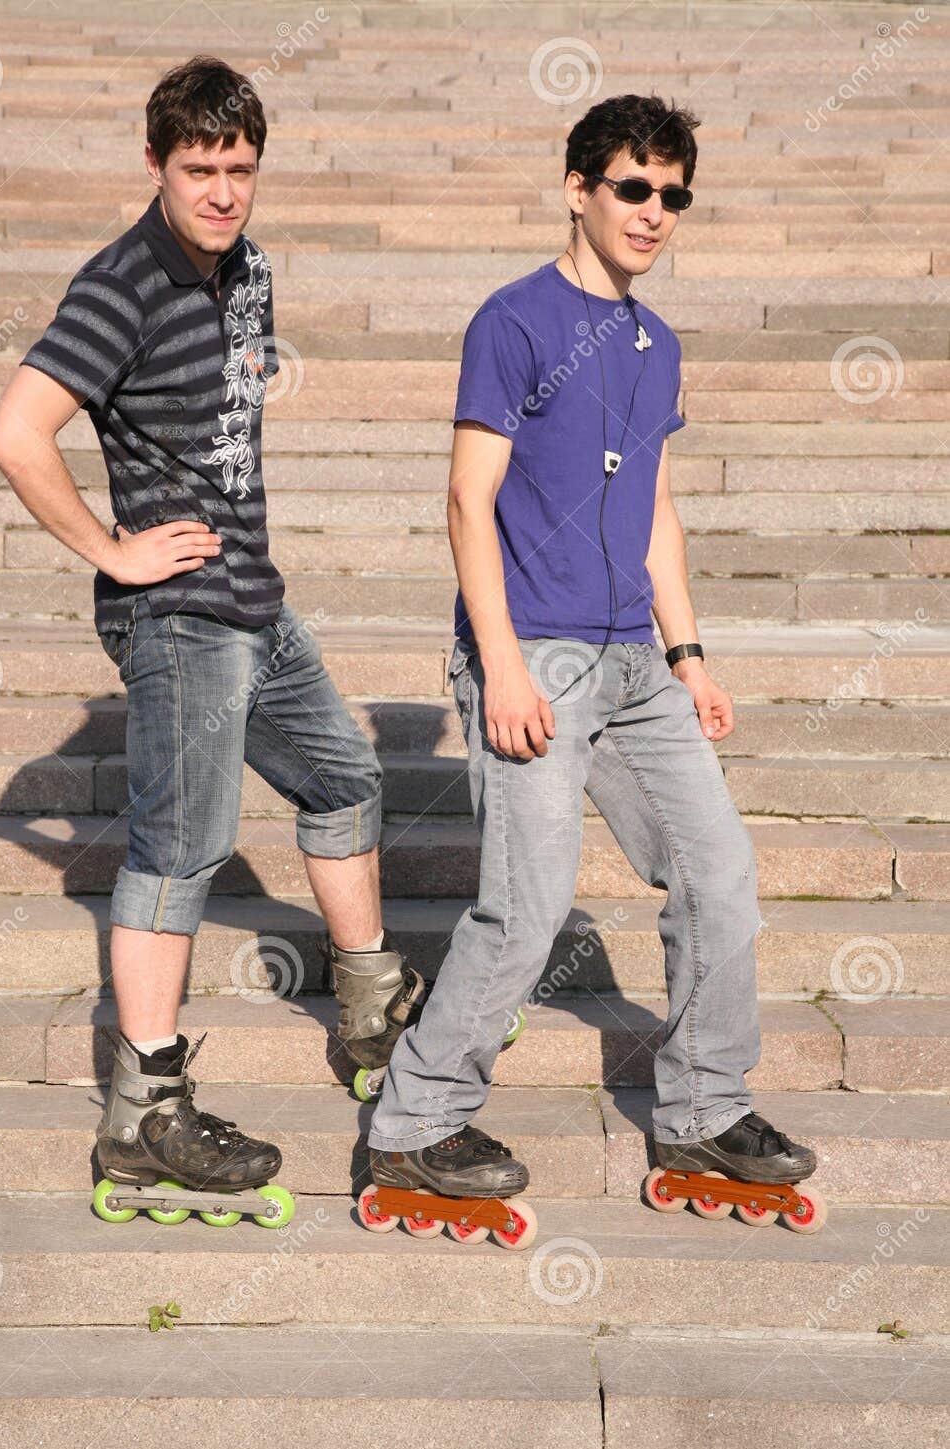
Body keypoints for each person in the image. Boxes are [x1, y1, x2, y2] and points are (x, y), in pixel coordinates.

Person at [0, 55, 424, 1203]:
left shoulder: (247, 267)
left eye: (239, 169)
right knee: (177, 856)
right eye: (199, 170)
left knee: (344, 780)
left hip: (252, 599)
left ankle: (371, 1011)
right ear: (154, 164)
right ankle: (145, 1115)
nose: (223, 192)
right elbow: (16, 433)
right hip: (175, 617)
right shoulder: (117, 285)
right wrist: (114, 546)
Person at [366, 93, 817, 1209]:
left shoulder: (654, 344)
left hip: (636, 665)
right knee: (526, 906)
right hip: (538, 657)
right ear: (578, 189)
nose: (652, 212)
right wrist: (502, 665)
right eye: (632, 188)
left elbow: (656, 508)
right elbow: (468, 502)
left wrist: (690, 651)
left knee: (717, 873)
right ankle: (414, 1121)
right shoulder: (511, 321)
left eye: (671, 196)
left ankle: (704, 1110)